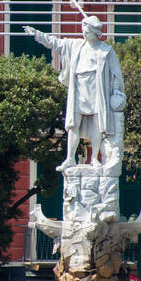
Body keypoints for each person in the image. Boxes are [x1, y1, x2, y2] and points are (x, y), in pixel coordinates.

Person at [23, 15, 126, 174]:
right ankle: (70, 158)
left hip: (97, 91)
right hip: (79, 90)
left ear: (95, 33)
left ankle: (94, 159)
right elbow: (55, 43)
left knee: (98, 125)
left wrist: (118, 92)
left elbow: (116, 74)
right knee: (73, 125)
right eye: (83, 31)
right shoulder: (75, 46)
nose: (84, 34)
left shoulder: (106, 51)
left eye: (88, 31)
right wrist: (37, 34)